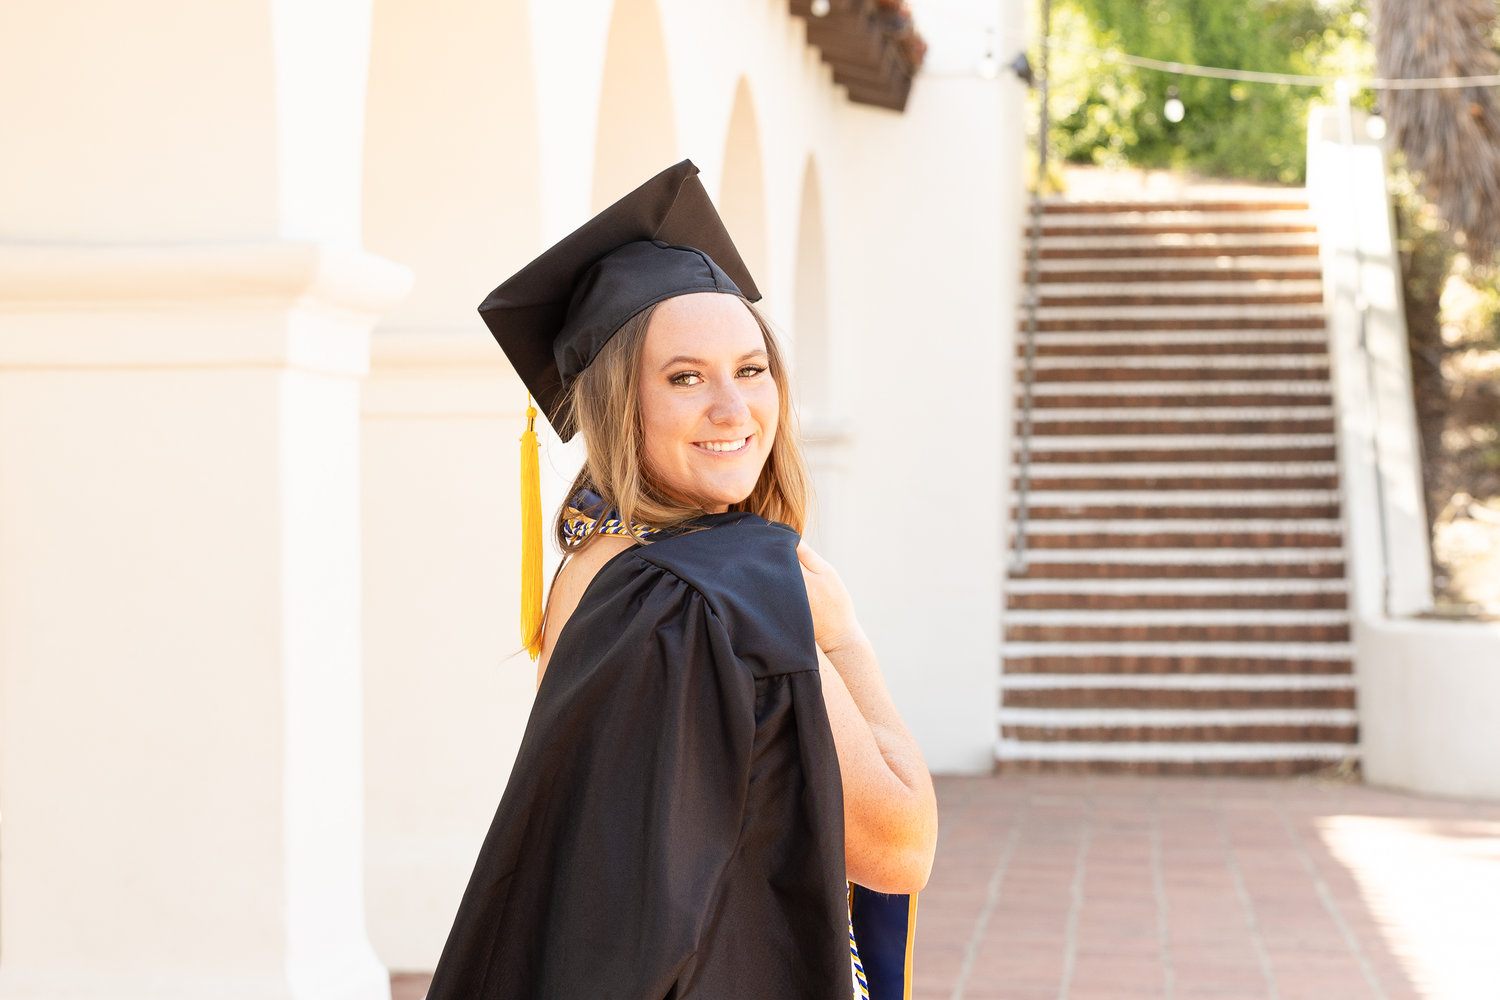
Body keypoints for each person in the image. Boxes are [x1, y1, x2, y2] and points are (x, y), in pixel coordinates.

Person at [422, 160, 937, 1000]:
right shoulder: (736, 586)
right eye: (685, 377)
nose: (735, 409)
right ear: (624, 403)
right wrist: (841, 634)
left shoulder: (592, 563)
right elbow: (901, 845)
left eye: (751, 368)